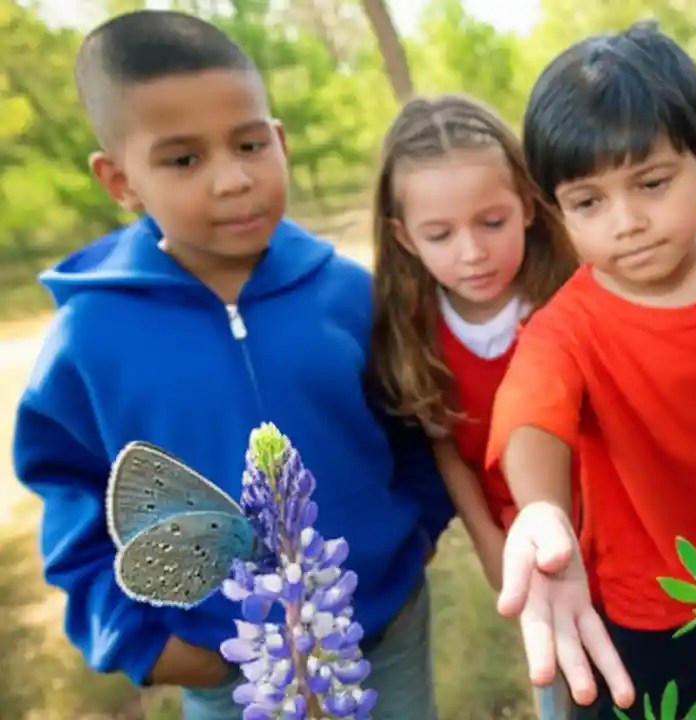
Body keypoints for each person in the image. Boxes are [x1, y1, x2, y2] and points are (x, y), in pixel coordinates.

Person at [10, 10, 452, 718]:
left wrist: (413, 544)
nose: (232, 180)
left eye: (249, 144)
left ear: (279, 140)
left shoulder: (346, 292)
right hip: (233, 667)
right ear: (119, 180)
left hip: (379, 628)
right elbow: (73, 500)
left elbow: (417, 429)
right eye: (184, 159)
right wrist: (148, 648)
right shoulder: (90, 335)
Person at [487, 22, 696, 718]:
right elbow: (530, 415)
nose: (627, 221)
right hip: (646, 610)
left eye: (651, 182)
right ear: (554, 207)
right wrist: (543, 513)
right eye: (589, 202)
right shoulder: (566, 327)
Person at [367, 94, 578, 592]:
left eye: (492, 222)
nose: (473, 253)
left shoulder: (569, 301)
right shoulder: (413, 330)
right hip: (522, 545)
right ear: (404, 237)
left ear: (527, 205)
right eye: (440, 235)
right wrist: (489, 545)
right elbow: (449, 448)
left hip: (610, 530)